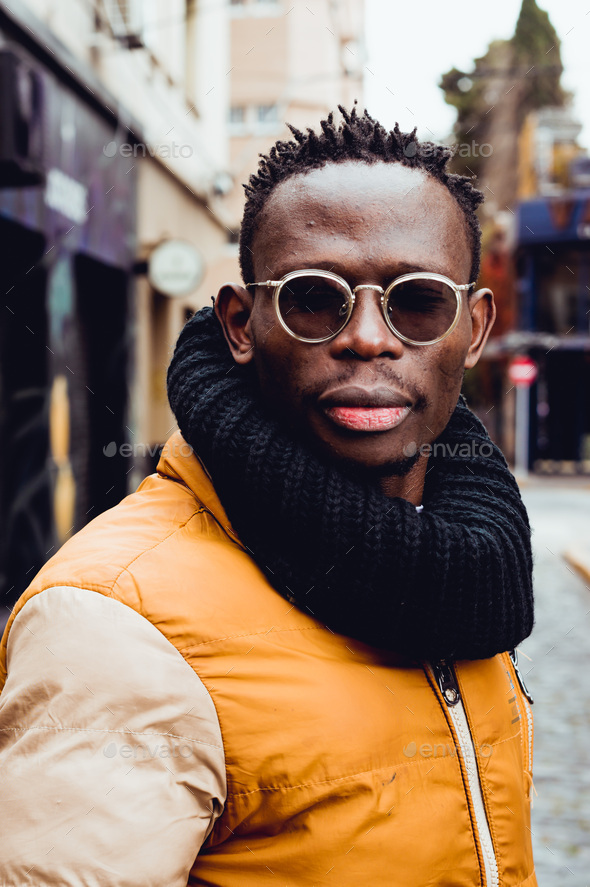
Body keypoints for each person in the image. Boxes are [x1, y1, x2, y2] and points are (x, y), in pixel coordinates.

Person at [0, 106, 536, 886]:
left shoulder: (468, 575)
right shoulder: (113, 617)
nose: (367, 337)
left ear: (474, 328)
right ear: (242, 324)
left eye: (418, 301)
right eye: (314, 298)